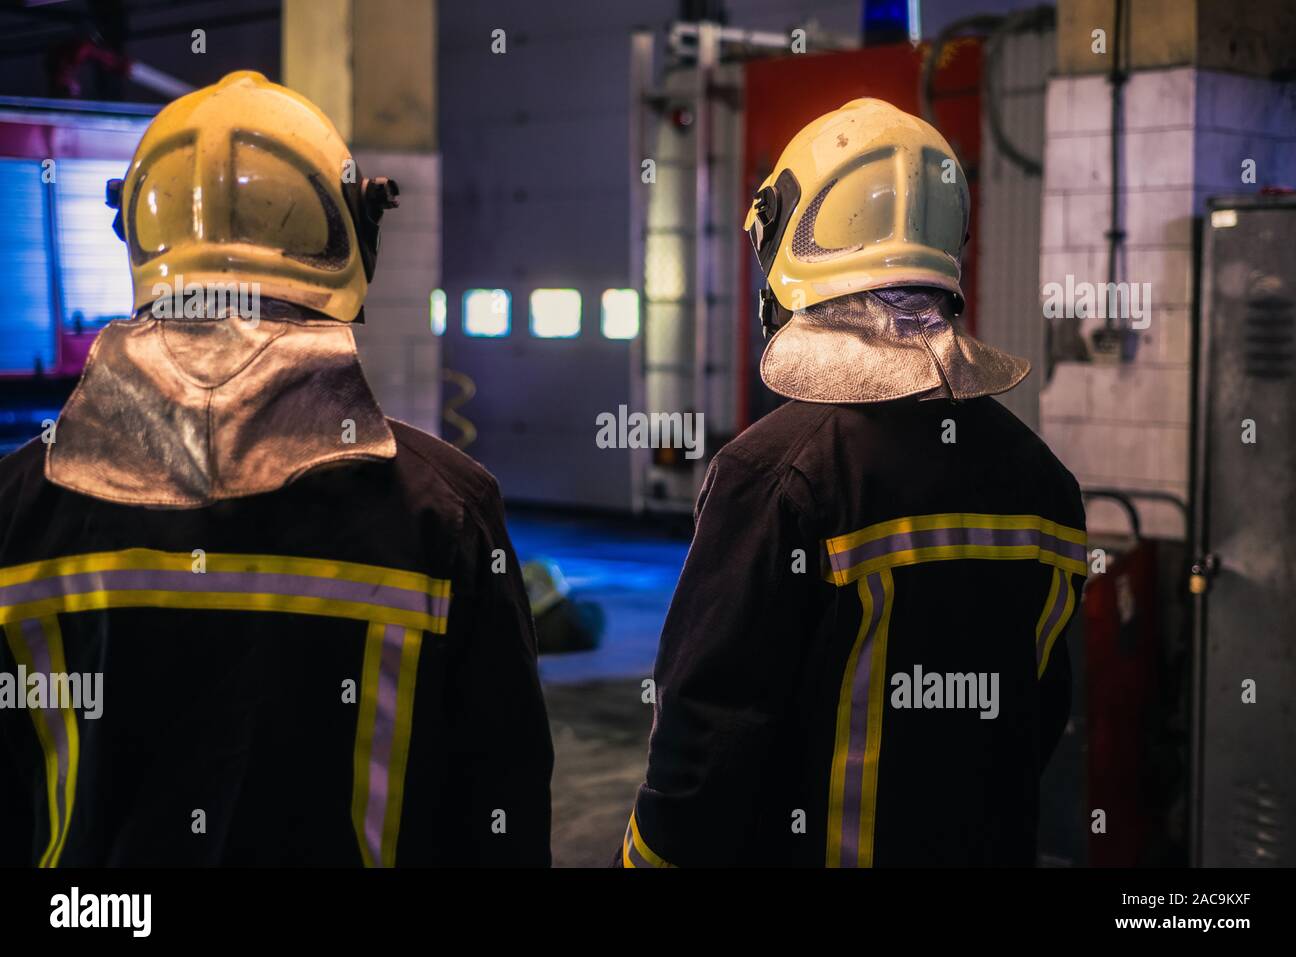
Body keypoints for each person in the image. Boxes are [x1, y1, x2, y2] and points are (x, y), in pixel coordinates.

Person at [0, 71, 552, 867]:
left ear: (136, 237)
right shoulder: (446, 509)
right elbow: (499, 801)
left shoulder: (17, 508)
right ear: (356, 233)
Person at [620, 98, 1085, 867]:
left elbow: (705, 747)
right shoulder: (1045, 482)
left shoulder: (772, 475)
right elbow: (1036, 720)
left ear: (789, 244)